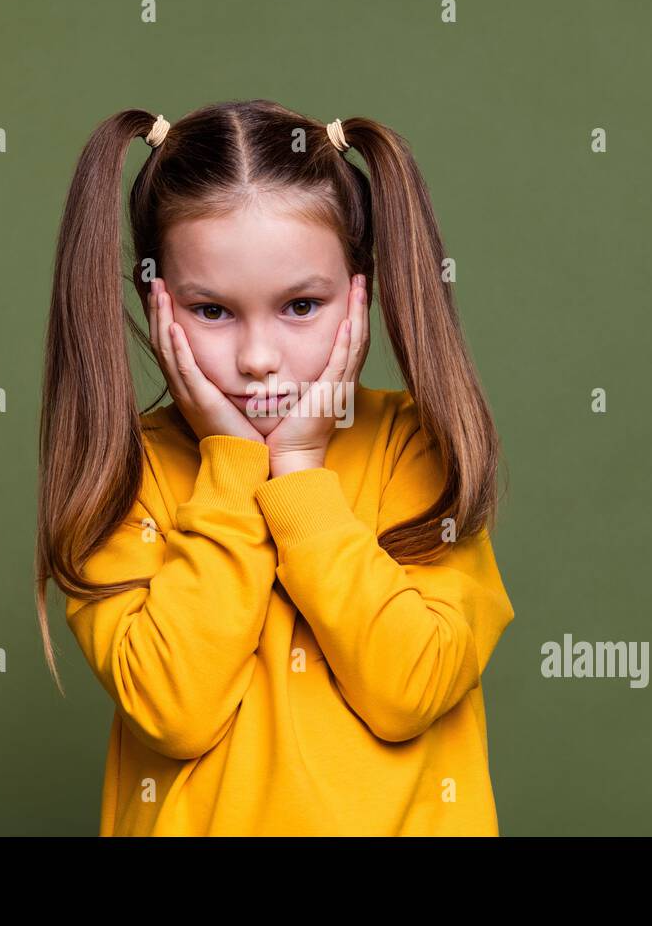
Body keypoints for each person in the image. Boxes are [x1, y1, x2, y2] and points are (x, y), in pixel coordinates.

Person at [34, 99, 515, 835]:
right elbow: (175, 710)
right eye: (213, 311)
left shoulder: (413, 450)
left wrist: (297, 471)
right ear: (155, 297)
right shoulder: (125, 475)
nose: (258, 360)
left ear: (361, 291)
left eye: (299, 305)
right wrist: (230, 468)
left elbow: (411, 688)